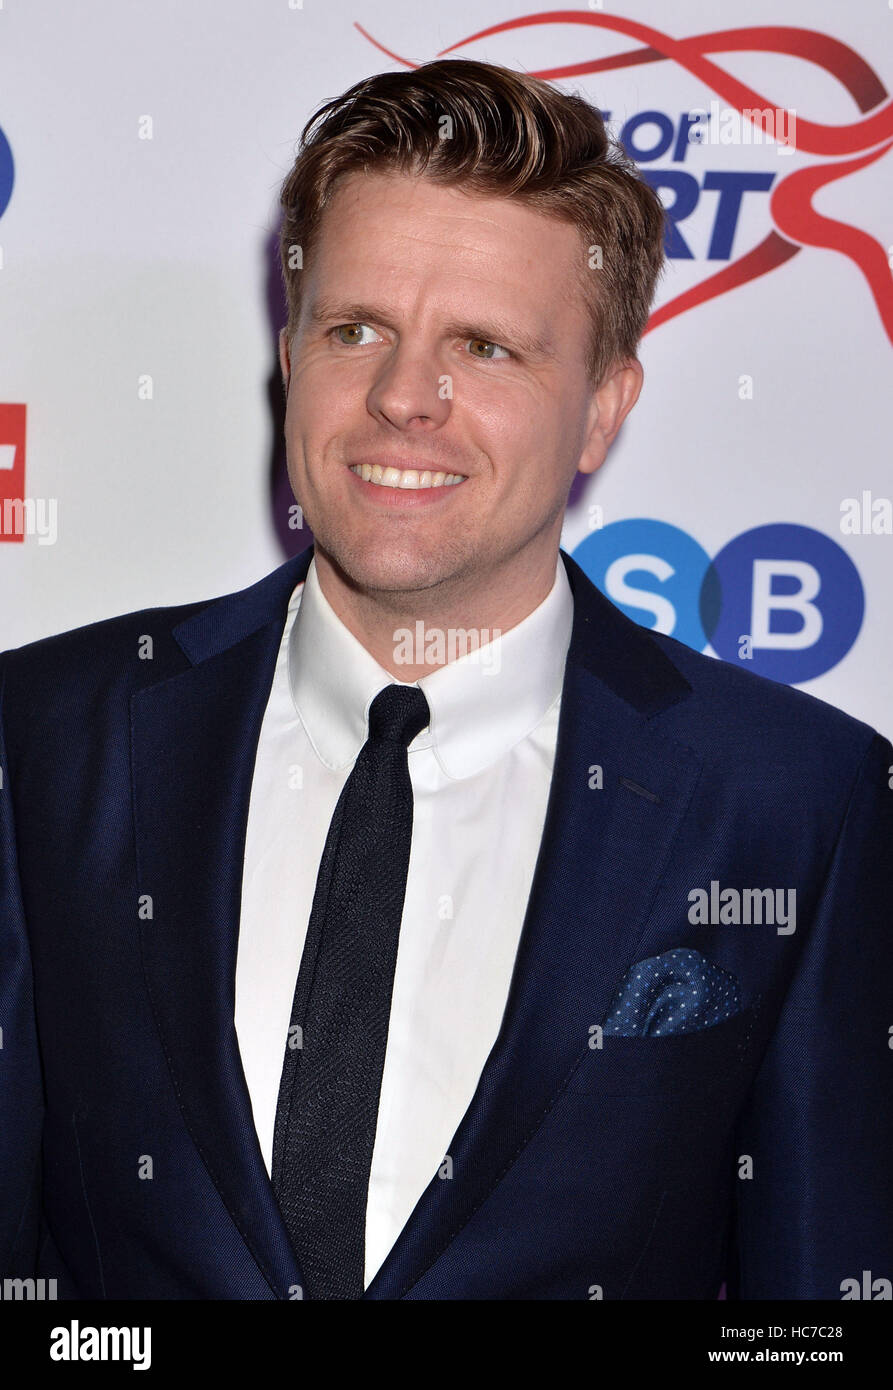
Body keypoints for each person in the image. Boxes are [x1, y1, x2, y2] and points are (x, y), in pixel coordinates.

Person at [1, 58, 890, 1301]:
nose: (401, 398)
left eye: (484, 347)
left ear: (600, 410)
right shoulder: (45, 738)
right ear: (290, 352)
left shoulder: (794, 799)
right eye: (355, 328)